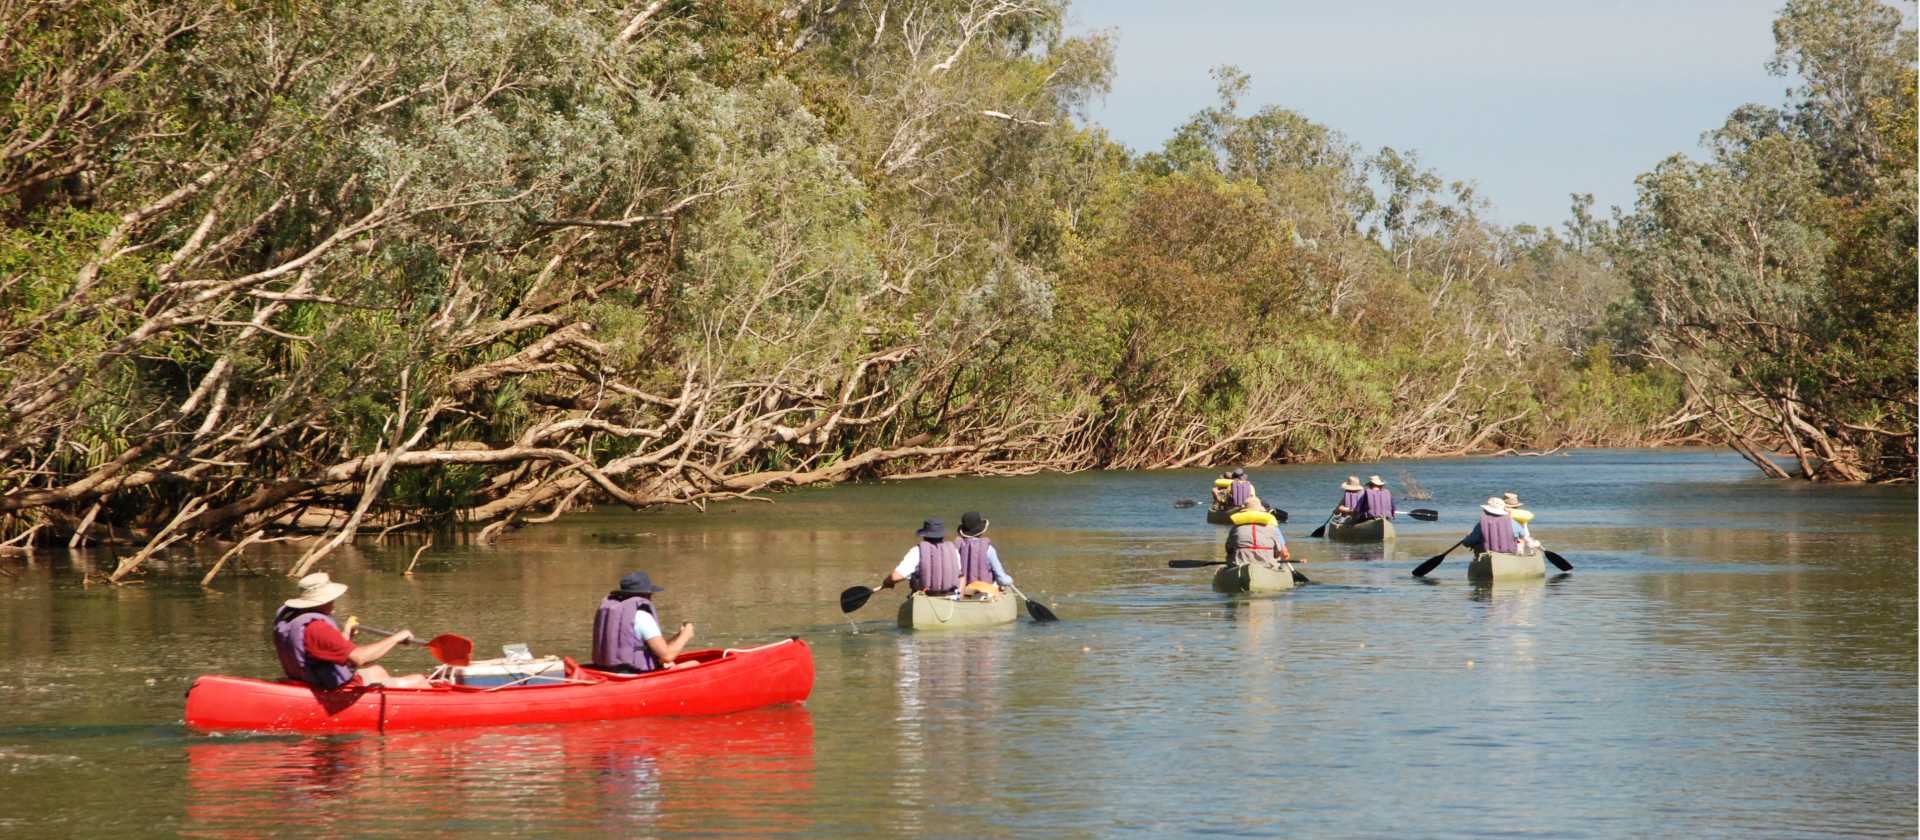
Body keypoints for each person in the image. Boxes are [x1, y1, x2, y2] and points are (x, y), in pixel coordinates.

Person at [271, 572, 431, 689]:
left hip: (308, 682)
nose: (334, 602)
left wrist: (346, 634)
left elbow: (323, 651)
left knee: (378, 671)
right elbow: (360, 658)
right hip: (331, 690)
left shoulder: (293, 618)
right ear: (324, 600)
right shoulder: (317, 628)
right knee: (418, 680)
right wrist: (396, 638)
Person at [591, 570, 696, 673]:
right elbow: (667, 656)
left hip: (605, 671)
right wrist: (686, 635)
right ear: (647, 595)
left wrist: (678, 636)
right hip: (633, 675)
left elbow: (657, 648)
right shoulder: (642, 617)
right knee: (694, 664)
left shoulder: (613, 612)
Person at [881, 517, 976, 596]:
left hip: (925, 599)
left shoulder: (917, 551)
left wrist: (887, 582)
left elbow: (895, 577)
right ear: (942, 535)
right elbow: (961, 577)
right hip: (949, 599)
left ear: (924, 535)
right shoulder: (953, 550)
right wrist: (958, 598)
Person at [953, 511, 1015, 592]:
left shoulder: (956, 548)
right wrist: (1010, 580)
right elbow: (1002, 580)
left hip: (962, 590)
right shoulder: (989, 549)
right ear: (982, 531)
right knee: (1005, 585)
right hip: (984, 591)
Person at [1225, 496, 1291, 570]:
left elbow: (1228, 550)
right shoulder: (1272, 528)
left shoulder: (1235, 528)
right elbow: (1280, 553)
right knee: (1281, 558)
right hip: (1267, 566)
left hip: (1240, 565)